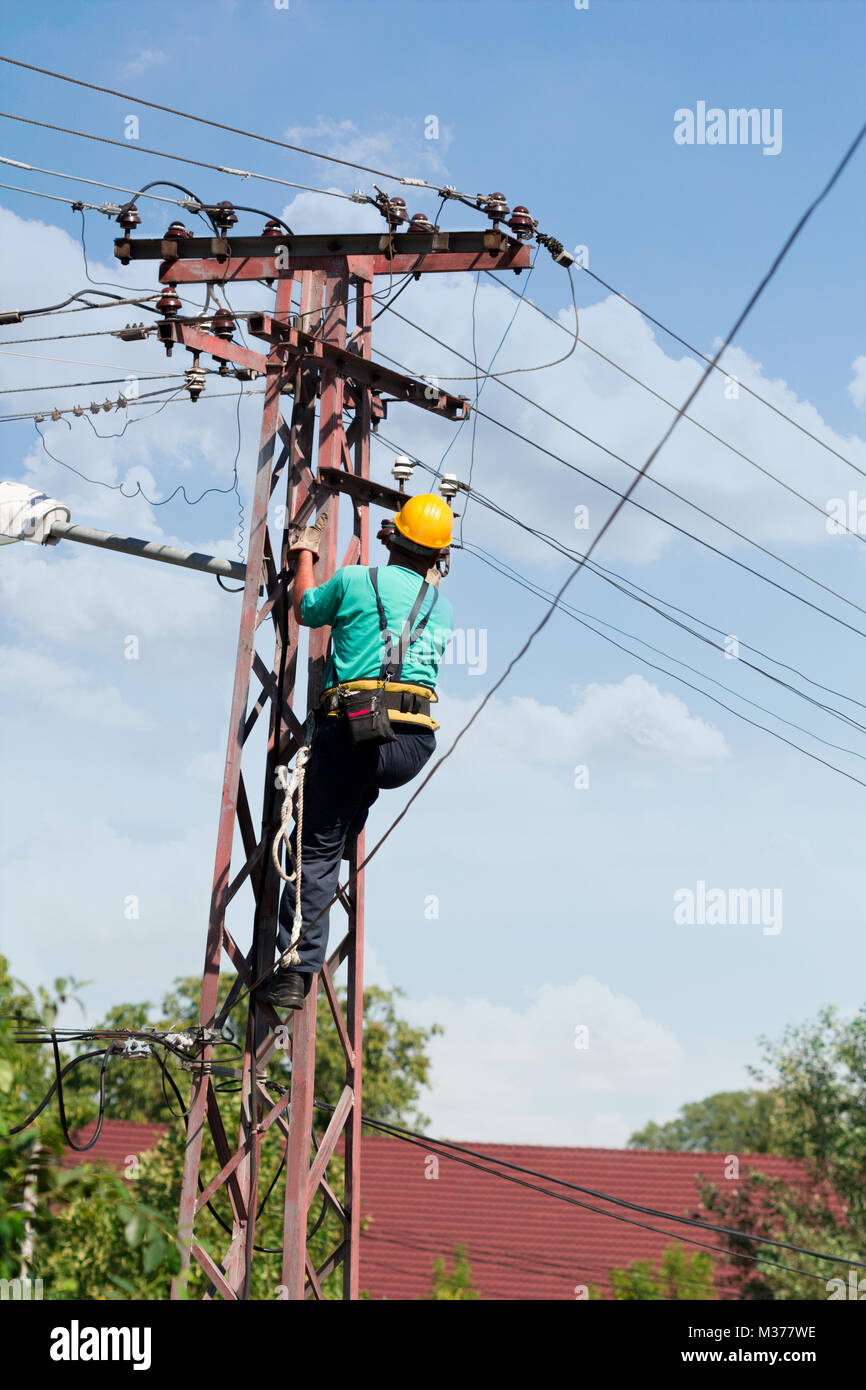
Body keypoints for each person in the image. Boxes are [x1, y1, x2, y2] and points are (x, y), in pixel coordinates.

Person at [263, 493, 455, 1010]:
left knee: (318, 847)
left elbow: (305, 610)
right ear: (439, 559)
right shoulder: (442, 607)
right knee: (344, 813)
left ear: (390, 538)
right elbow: (396, 647)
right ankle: (344, 821)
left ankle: (294, 972)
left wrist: (304, 554)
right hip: (411, 745)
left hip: (354, 735)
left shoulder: (353, 581)